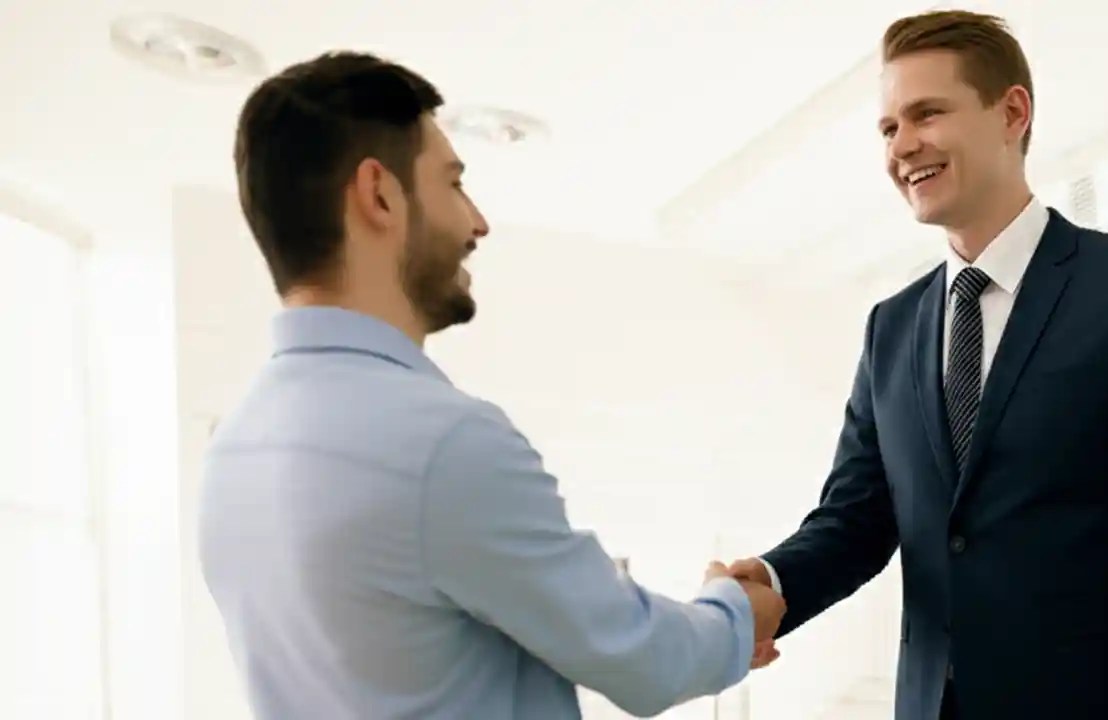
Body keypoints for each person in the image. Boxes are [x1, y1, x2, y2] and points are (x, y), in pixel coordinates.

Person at [197, 51, 785, 720]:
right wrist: (736, 609)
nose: (477, 222)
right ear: (379, 195)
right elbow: (645, 662)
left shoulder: (231, 452)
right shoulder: (442, 443)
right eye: (453, 184)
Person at [725, 10, 1108, 720]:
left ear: (1012, 112)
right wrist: (769, 583)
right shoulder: (891, 328)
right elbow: (855, 523)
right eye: (888, 128)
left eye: (926, 114)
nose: (902, 146)